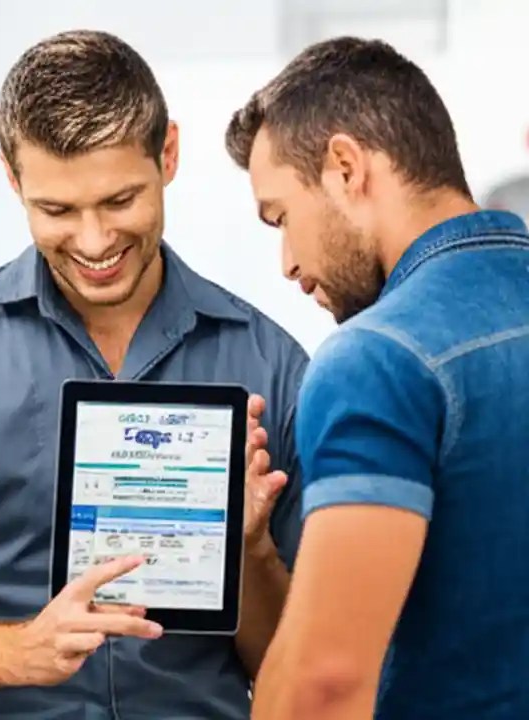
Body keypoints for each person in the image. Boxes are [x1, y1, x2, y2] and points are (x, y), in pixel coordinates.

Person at [0, 29, 309, 719]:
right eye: (57, 210)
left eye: (120, 200)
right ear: (14, 180)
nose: (95, 241)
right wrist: (19, 652)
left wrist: (249, 552)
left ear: (168, 155)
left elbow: (300, 669)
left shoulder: (270, 365)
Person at [224, 36, 529, 720]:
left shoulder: (376, 358)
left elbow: (325, 686)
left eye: (282, 217)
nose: (287, 261)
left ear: (345, 168)